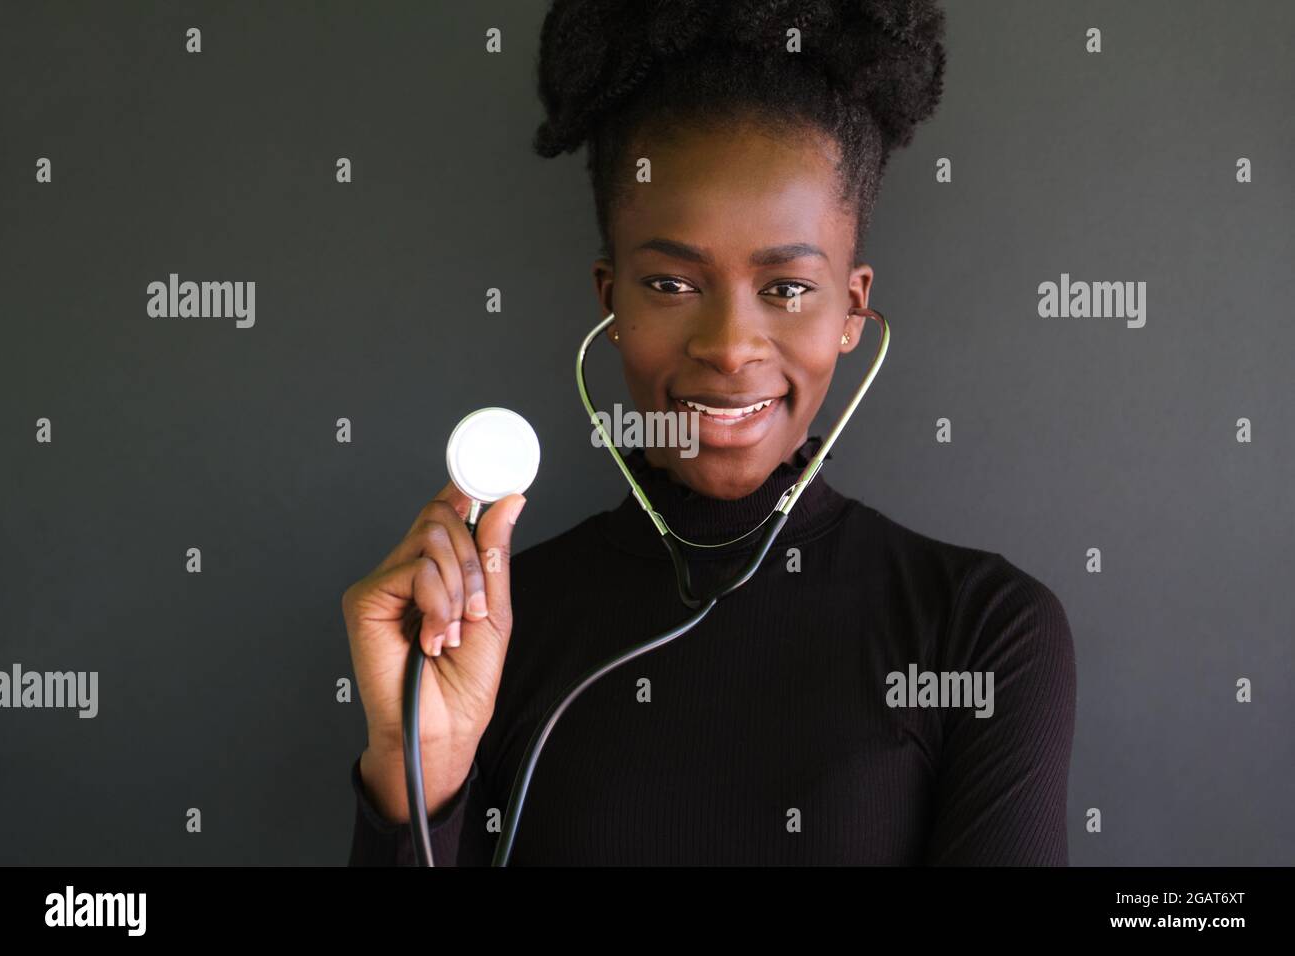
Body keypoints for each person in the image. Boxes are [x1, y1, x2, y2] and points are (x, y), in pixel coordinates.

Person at [343, 0, 1077, 866]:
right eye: (670, 284)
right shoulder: (487, 631)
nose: (729, 348)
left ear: (853, 306)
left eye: (790, 288)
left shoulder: (982, 631)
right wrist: (418, 773)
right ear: (608, 300)